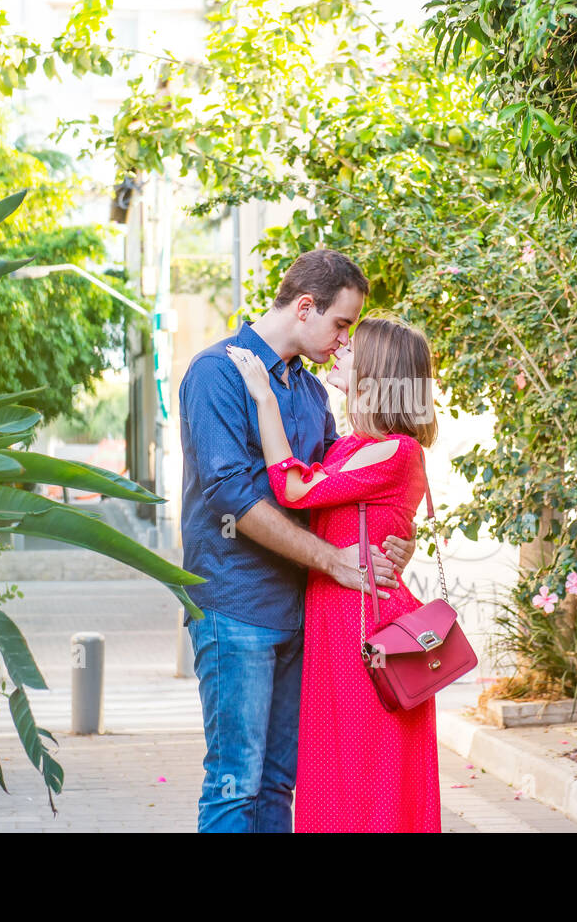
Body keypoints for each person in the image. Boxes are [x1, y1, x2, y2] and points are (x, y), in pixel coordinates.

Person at [177, 249, 416, 833]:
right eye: (341, 324)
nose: (343, 340)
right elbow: (231, 496)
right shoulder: (216, 373)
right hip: (237, 608)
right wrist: (332, 560)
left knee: (279, 783)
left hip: (302, 615)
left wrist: (395, 539)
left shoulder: (310, 395)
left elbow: (333, 492)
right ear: (305, 307)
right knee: (236, 783)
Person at [226, 312, 441, 832]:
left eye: (353, 347)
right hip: (339, 617)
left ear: (377, 371)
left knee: (366, 776)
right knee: (336, 772)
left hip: (366, 625)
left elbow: (294, 489)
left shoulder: (397, 449)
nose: (340, 349)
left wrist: (265, 400)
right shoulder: (353, 446)